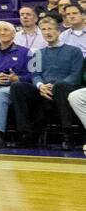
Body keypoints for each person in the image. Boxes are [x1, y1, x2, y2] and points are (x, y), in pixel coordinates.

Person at [9, 18, 85, 149]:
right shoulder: (38, 53)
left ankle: (67, 135)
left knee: (61, 87)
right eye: (43, 29)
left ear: (58, 31)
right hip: (44, 89)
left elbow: (75, 75)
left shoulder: (74, 51)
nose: (47, 32)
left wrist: (54, 86)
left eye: (50, 29)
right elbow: (35, 74)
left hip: (65, 88)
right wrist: (40, 85)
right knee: (17, 86)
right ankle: (25, 134)